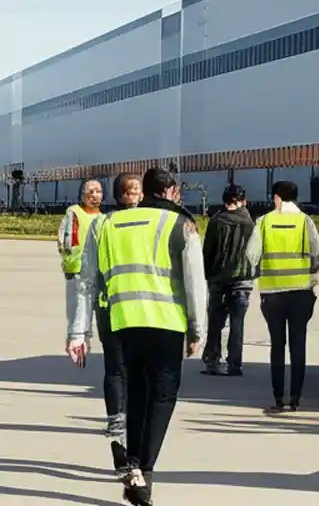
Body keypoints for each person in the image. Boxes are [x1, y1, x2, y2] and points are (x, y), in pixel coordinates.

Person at [68, 167, 207, 506]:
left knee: (136, 392)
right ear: (169, 191)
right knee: (162, 396)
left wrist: (78, 331)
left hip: (123, 321)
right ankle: (143, 469)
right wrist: (197, 328)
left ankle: (133, 466)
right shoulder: (179, 225)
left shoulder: (104, 225)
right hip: (166, 322)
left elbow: (86, 280)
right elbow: (195, 282)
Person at [63, 175, 136, 479]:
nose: (94, 194)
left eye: (98, 190)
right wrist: (79, 331)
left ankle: (124, 420)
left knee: (122, 368)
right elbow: (66, 243)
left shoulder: (105, 222)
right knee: (117, 368)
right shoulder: (79, 215)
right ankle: (118, 420)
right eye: (90, 190)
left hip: (116, 301)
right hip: (92, 285)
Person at [245, 180, 319, 415]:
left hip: (272, 294)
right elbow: (318, 251)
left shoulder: (264, 221)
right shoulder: (304, 221)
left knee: (277, 346)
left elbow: (251, 254)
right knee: (298, 345)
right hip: (301, 292)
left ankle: (278, 398)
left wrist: (262, 271)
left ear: (277, 197)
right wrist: (310, 271)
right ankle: (296, 398)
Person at [201, 184, 256, 377]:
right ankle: (235, 364)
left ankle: (213, 360)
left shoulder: (216, 221)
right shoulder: (251, 223)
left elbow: (207, 251)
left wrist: (206, 275)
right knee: (237, 322)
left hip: (218, 279)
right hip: (243, 280)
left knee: (215, 321)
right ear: (243, 200)